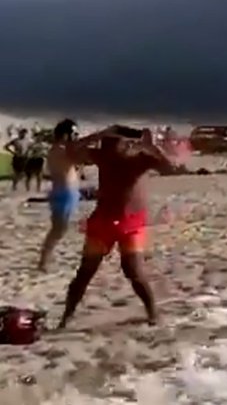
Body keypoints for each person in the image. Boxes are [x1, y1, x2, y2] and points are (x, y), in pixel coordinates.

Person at [59, 125, 176, 328]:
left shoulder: (139, 159)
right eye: (106, 143)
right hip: (103, 220)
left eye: (113, 142)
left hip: (131, 222)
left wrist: (153, 148)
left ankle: (152, 313)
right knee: (85, 272)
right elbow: (69, 152)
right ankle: (66, 317)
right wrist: (97, 135)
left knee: (133, 270)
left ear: (127, 145)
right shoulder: (104, 155)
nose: (107, 146)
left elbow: (169, 168)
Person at [37, 119, 83, 272]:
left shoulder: (61, 149)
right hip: (63, 193)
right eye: (74, 133)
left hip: (66, 192)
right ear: (65, 135)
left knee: (60, 229)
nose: (76, 136)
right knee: (58, 229)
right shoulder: (60, 149)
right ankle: (43, 261)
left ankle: (45, 259)